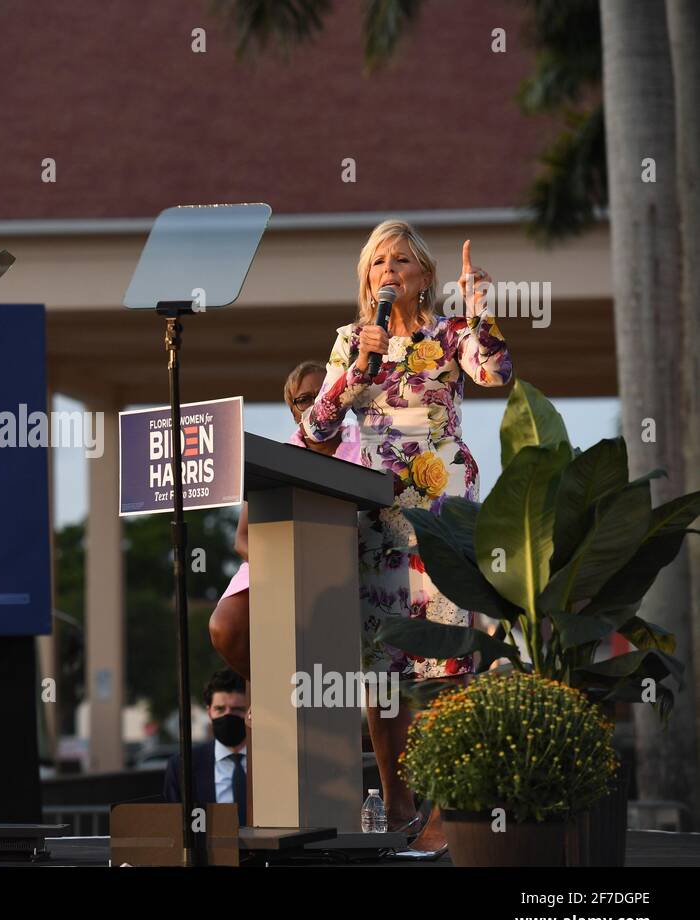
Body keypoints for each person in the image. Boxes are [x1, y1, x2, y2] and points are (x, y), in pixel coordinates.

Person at [301, 219, 512, 852]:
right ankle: (396, 801)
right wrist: (355, 368)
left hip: (443, 510)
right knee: (383, 664)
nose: (386, 272)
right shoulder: (348, 341)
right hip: (377, 516)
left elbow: (495, 374)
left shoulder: (447, 334)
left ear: (423, 275)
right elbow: (317, 431)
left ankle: (447, 810)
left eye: (398, 262)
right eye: (376, 264)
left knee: (446, 656)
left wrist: (481, 313)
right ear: (366, 278)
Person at [208, 360, 362, 678]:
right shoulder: (278, 457)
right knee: (225, 626)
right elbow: (243, 539)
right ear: (293, 410)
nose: (317, 403)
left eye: (325, 392)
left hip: (348, 567)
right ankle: (272, 691)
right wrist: (284, 571)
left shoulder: (369, 447)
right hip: (275, 565)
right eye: (304, 399)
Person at [162, 670, 249, 825]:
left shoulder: (272, 762)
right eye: (220, 709)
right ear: (209, 711)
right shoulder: (183, 766)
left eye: (237, 710)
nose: (227, 716)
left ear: (249, 711)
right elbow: (174, 828)